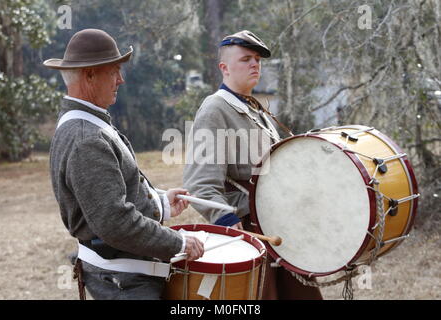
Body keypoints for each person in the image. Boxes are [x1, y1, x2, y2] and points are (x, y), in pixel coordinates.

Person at [45, 28, 204, 300]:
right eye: (114, 71)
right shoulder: (86, 138)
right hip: (123, 280)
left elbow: (108, 200)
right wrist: (177, 242)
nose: (121, 80)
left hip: (123, 275)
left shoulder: (86, 125)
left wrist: (160, 203)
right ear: (90, 74)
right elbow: (114, 222)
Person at [183, 30, 323, 299]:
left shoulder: (255, 108)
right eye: (246, 59)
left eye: (257, 59)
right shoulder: (215, 108)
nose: (254, 64)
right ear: (224, 68)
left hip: (277, 225)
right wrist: (225, 220)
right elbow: (199, 184)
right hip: (249, 229)